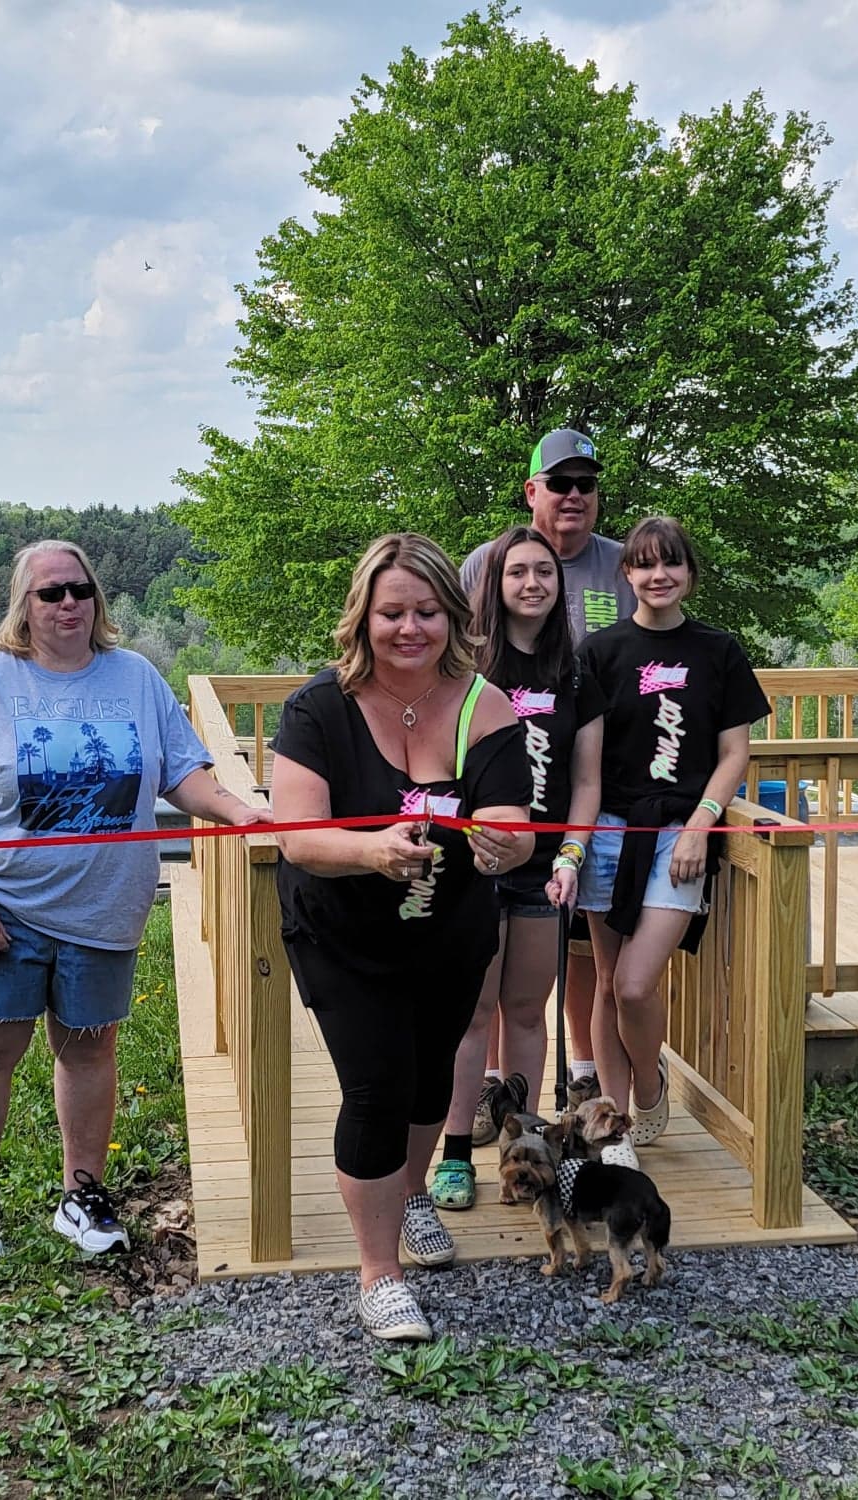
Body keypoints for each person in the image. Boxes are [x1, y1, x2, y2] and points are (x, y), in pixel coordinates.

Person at [0, 540, 271, 1269]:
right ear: (24, 606)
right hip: (3, 911)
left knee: (89, 1049)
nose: (69, 603)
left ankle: (83, 1195)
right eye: (51, 594)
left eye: (80, 590)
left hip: (105, 910)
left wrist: (237, 810)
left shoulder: (134, 677)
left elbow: (183, 772)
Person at [268, 533, 534, 1341]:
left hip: (449, 929)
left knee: (427, 1087)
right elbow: (298, 836)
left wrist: (506, 844)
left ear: (453, 618)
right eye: (392, 613)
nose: (409, 628)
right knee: (378, 1086)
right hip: (342, 931)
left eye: (426, 611)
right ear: (364, 617)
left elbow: (514, 820)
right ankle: (378, 1273)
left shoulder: (486, 704)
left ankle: (412, 1191)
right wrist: (372, 849)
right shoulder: (318, 709)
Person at [460, 429, 637, 1119]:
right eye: (558, 483)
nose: (573, 496)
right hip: (497, 815)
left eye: (584, 484)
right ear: (531, 491)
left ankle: (581, 1073)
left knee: (583, 945)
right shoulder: (485, 561)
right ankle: (484, 1092)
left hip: (595, 783)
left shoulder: (621, 566)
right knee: (487, 979)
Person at [576, 515, 769, 1146]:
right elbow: (585, 760)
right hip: (610, 830)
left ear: (689, 574)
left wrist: (701, 824)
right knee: (607, 981)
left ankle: (650, 1090)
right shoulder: (599, 653)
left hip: (681, 831)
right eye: (645, 564)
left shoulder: (719, 651)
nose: (659, 575)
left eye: (672, 563)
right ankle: (612, 1123)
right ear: (626, 573)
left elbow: (734, 754)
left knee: (636, 982)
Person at [430, 526, 605, 1210]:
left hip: (545, 869)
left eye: (545, 572)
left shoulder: (576, 670)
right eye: (518, 573)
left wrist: (570, 853)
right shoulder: (468, 670)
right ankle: (452, 1154)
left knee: (527, 1012)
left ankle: (526, 1151)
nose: (533, 583)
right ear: (494, 586)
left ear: (560, 585)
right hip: (476, 862)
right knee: (472, 1013)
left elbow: (586, 782)